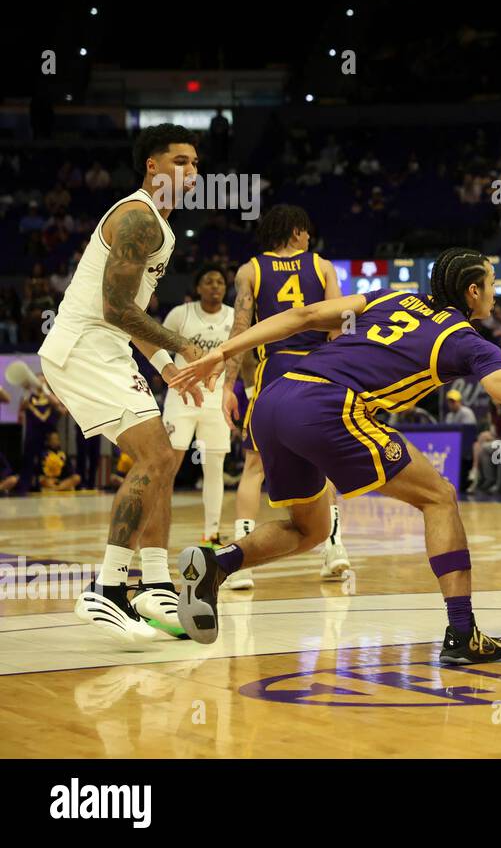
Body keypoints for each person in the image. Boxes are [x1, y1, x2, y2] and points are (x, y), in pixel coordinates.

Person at [171, 248, 501, 663]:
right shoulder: (465, 341)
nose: (495, 293)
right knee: (439, 496)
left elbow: (301, 318)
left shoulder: (391, 298)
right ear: (470, 292)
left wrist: (222, 353)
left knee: (309, 530)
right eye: (490, 284)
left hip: (275, 400)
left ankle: (217, 566)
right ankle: (462, 634)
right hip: (328, 405)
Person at [37, 124, 206, 644]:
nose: (191, 172)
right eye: (180, 161)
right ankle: (107, 588)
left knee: (165, 458)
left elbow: (132, 313)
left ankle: (154, 583)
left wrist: (166, 367)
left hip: (105, 347)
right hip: (84, 346)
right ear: (152, 167)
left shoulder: (158, 223)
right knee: (156, 456)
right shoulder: (137, 217)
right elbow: (115, 308)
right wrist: (184, 345)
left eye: (196, 164)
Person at [220, 205, 348, 590]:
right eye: (306, 232)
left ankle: (241, 562)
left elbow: (240, 329)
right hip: (319, 371)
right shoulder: (323, 266)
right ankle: (335, 550)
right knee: (327, 462)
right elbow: (339, 324)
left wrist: (229, 386)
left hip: (273, 371)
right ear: (295, 233)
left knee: (253, 467)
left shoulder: (250, 270)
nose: (309, 239)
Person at [160, 264, 234, 545]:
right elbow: (157, 347)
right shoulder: (181, 314)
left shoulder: (233, 317)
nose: (215, 285)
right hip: (182, 398)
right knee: (167, 466)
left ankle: (211, 534)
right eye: (209, 280)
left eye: (220, 282)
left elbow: (240, 358)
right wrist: (172, 377)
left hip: (215, 400)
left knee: (214, 467)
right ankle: (154, 533)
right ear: (198, 287)